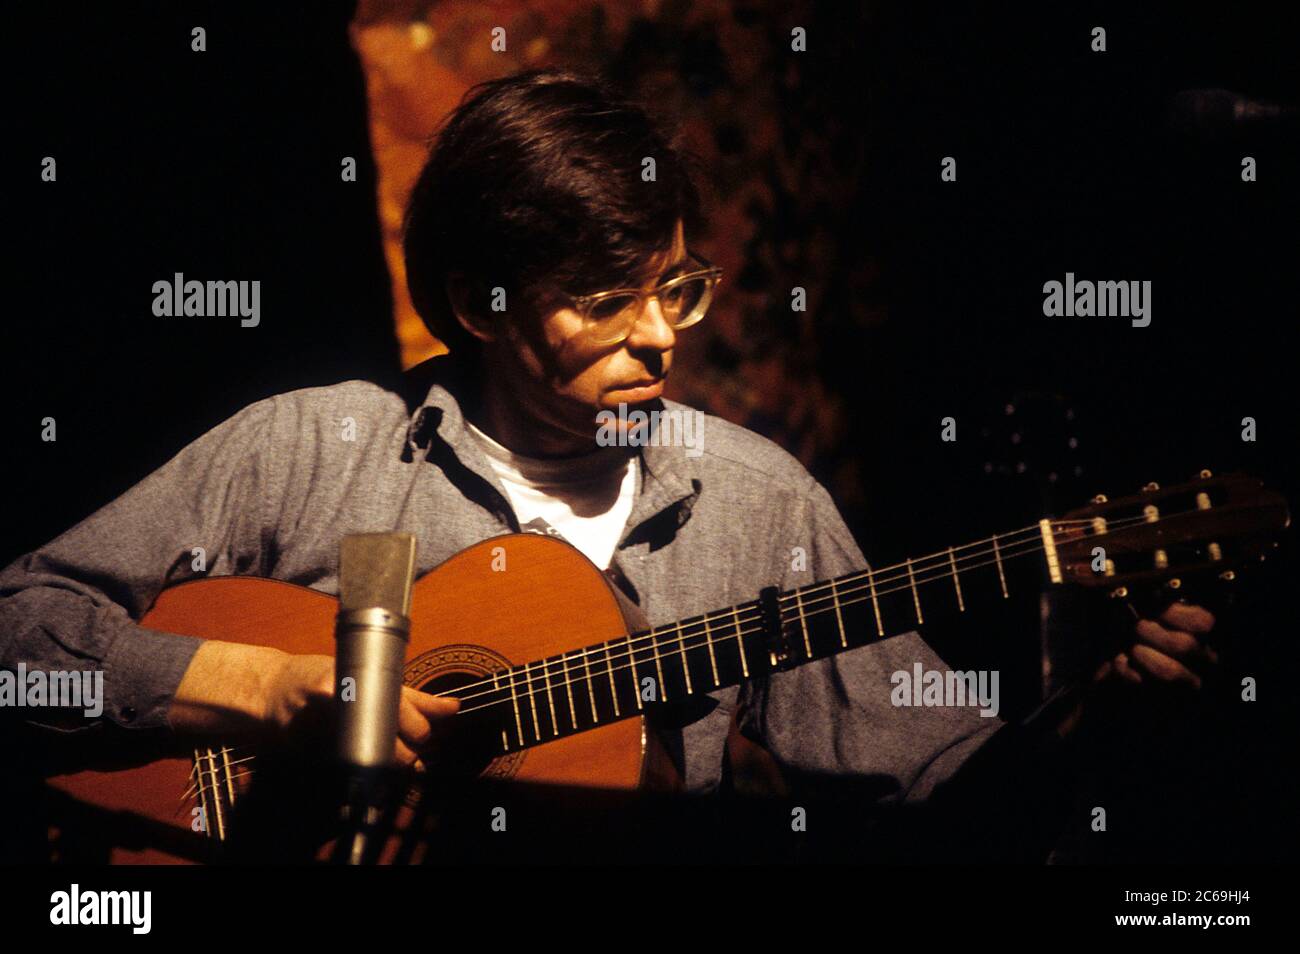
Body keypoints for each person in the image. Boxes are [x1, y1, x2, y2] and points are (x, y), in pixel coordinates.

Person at [0, 69, 1215, 856]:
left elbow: (945, 796)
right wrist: (256, 690)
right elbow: (20, 636)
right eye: (600, 300)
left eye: (676, 285)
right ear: (480, 308)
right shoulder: (311, 448)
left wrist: (1092, 716)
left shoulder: (751, 500)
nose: (660, 333)